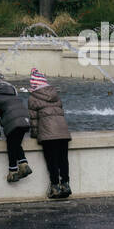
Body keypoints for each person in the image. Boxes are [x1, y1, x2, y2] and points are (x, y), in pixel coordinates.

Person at [28, 68, 72, 199]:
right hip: (63, 132)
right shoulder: (56, 95)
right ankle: (66, 184)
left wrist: (35, 134)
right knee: (63, 159)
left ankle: (55, 187)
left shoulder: (33, 98)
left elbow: (34, 120)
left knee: (51, 160)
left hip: (48, 134)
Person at [0, 74, 32, 183]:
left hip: (13, 121)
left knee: (11, 144)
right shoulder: (12, 93)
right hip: (24, 118)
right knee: (16, 143)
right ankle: (24, 164)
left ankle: (13, 171)